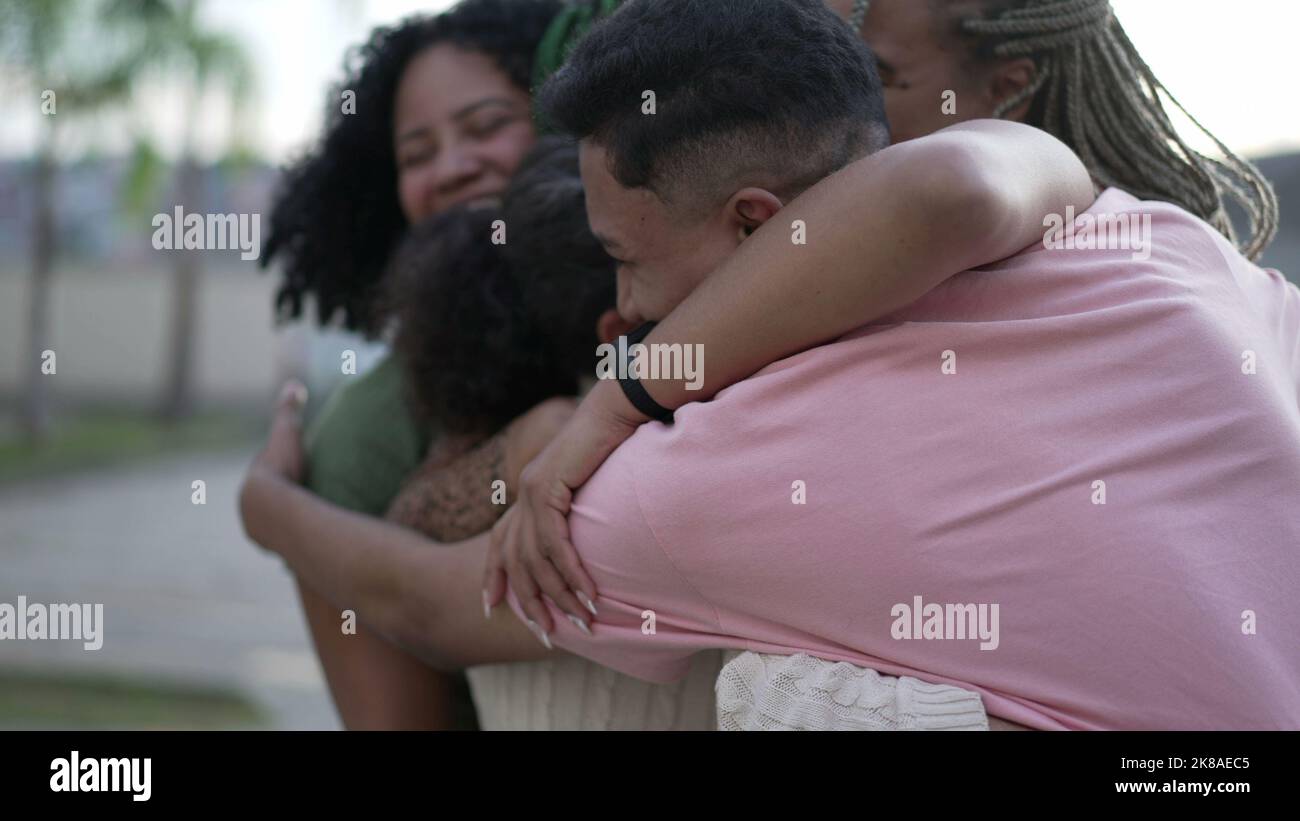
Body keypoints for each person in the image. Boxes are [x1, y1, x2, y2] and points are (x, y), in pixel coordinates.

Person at [242, 0, 1300, 729]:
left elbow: (429, 604)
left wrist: (269, 509)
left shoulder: (696, 481)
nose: (620, 306)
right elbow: (955, 189)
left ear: (753, 221)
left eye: (625, 258)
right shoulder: (1137, 240)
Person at [258, 0, 560, 729]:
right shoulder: (365, 432)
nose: (453, 169)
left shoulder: (675, 333)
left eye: (488, 126)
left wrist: (267, 509)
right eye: (417, 154)